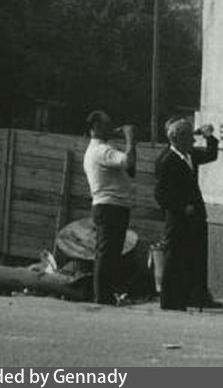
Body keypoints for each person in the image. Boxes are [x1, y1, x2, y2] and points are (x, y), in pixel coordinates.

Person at [154, 116, 219, 311]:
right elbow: (161, 194)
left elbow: (211, 155)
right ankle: (170, 300)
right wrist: (181, 207)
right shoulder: (167, 160)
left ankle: (189, 296)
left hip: (195, 216)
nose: (193, 140)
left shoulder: (188, 155)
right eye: (189, 136)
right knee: (174, 258)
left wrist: (210, 137)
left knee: (192, 257)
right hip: (178, 218)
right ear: (178, 138)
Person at [82, 110, 137, 305]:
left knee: (110, 252)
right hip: (110, 206)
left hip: (110, 206)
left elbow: (130, 169)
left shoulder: (100, 150)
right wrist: (130, 138)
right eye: (107, 124)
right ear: (95, 127)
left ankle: (105, 293)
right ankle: (102, 296)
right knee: (107, 253)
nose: (112, 127)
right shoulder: (101, 151)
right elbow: (128, 161)